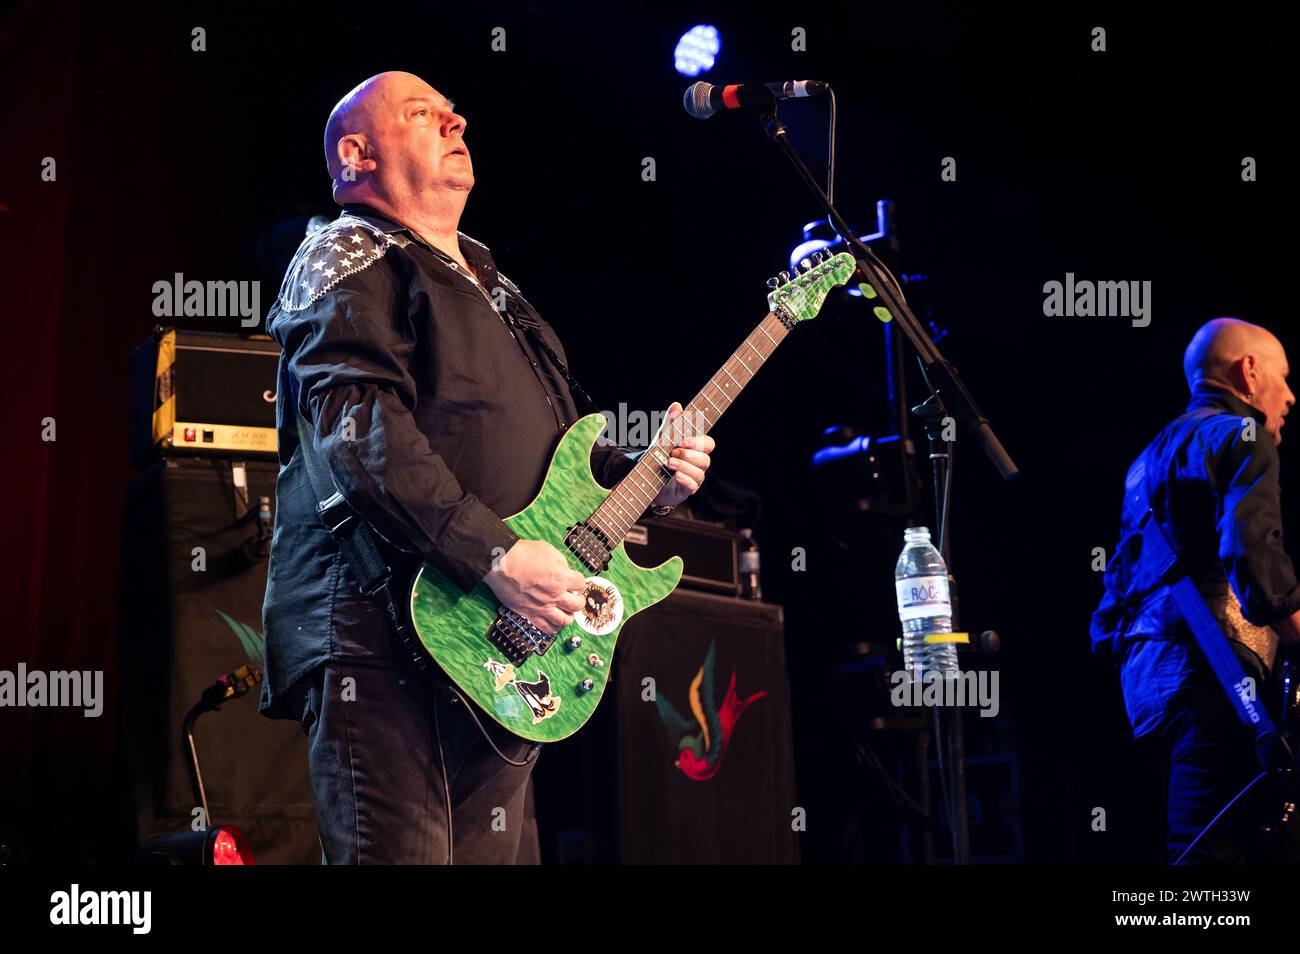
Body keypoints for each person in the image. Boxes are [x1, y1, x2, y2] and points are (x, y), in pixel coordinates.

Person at [259, 71, 714, 863]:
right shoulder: (343, 250)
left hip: (492, 647)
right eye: (421, 113)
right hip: (384, 636)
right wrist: (497, 557)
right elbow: (363, 435)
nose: (455, 119)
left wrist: (648, 476)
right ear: (356, 154)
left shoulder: (493, 280)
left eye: (453, 110)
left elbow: (558, 453)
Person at [1092, 317, 1300, 863]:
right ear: (1249, 371)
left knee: (1194, 841)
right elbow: (1253, 562)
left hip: (1147, 685)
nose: (1291, 396)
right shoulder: (1243, 436)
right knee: (1211, 858)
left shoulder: (1143, 462)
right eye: (1284, 376)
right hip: (1215, 678)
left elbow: (1116, 588)